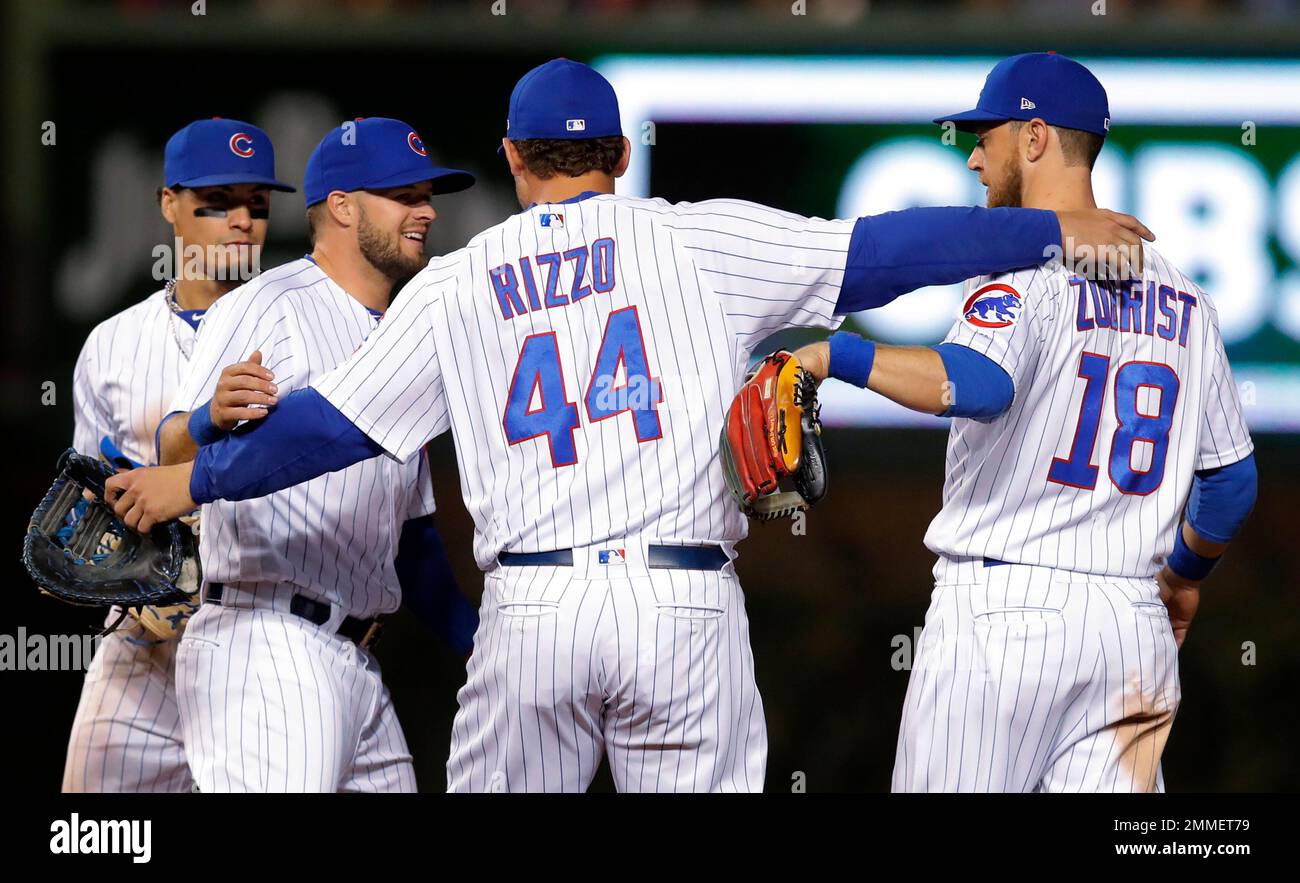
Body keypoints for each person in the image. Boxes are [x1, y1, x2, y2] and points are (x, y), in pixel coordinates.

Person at [105, 59, 1154, 793]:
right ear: (618, 151)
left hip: (536, 608)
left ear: (514, 160)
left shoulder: (458, 285)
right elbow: (886, 252)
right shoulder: (698, 241)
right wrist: (1046, 228)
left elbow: (329, 429)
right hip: (679, 600)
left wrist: (192, 482)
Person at [791, 53, 1257, 792]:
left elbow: (974, 382)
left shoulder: (1023, 264)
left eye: (988, 136)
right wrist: (1184, 576)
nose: (975, 156)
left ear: (1035, 136)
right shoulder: (1190, 301)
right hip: (1131, 627)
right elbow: (1230, 482)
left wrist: (832, 353)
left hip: (1005, 616)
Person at [150, 117, 477, 792]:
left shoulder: (403, 334)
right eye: (403, 194)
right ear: (342, 206)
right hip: (264, 637)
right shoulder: (274, 300)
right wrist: (209, 420)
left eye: (427, 194)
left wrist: (484, 645)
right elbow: (168, 444)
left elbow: (412, 540)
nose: (425, 211)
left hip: (353, 660)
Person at [63, 117, 294, 792]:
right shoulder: (113, 343)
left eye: (256, 204)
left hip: (261, 644)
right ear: (169, 204)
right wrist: (117, 569)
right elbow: (84, 506)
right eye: (216, 204)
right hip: (141, 649)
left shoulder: (301, 330)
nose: (241, 222)